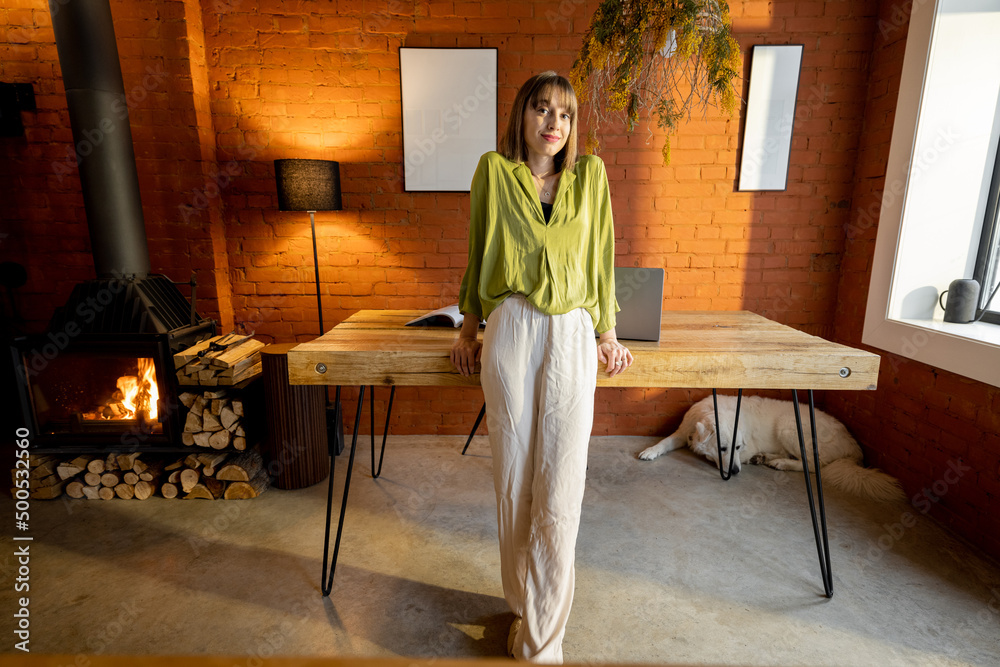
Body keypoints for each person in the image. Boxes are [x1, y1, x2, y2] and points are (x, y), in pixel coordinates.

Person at [450, 71, 633, 663]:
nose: (554, 123)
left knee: (562, 485)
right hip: (509, 327)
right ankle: (522, 603)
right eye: (541, 109)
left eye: (565, 114)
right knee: (513, 478)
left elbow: (602, 257)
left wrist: (608, 332)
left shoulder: (591, 177)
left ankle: (541, 642)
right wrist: (468, 327)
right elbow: (479, 248)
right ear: (521, 116)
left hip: (573, 332)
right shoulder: (493, 173)